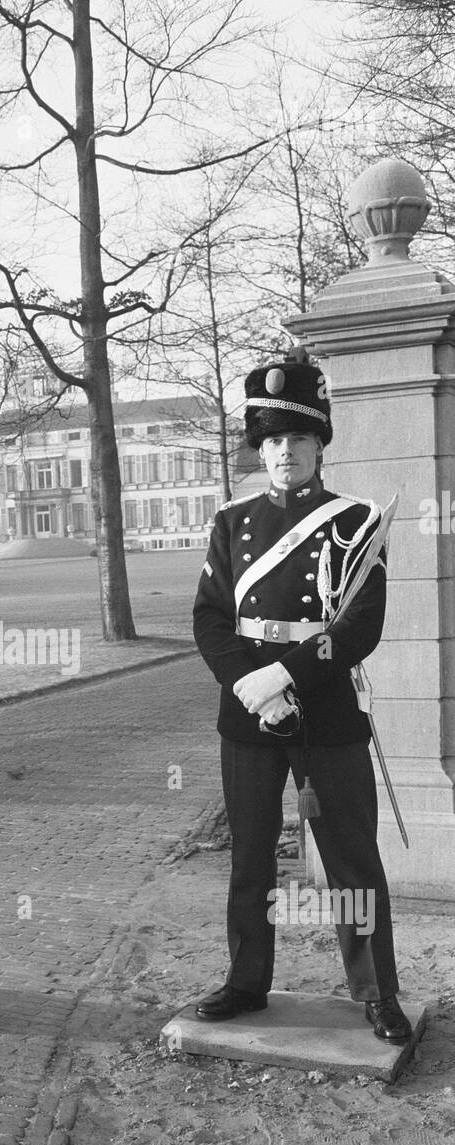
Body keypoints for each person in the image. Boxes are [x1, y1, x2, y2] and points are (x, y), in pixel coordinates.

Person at [192, 350, 411, 1044]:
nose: (284, 452)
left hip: (325, 711)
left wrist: (280, 677)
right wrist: (246, 684)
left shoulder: (356, 522)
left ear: (320, 444)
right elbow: (207, 617)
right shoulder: (230, 521)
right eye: (272, 441)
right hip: (248, 713)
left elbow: (357, 628)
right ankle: (245, 981)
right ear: (261, 448)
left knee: (349, 856)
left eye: (298, 439)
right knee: (252, 856)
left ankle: (375, 991)